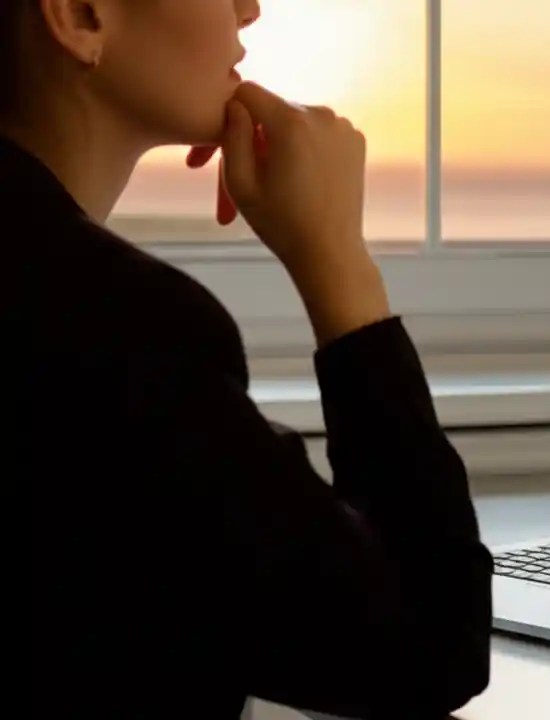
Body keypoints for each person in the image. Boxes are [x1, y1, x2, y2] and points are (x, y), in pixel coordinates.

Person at [6, 0, 492, 717]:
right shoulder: (120, 329)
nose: (249, 7)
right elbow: (431, 647)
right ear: (80, 15)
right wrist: (336, 261)